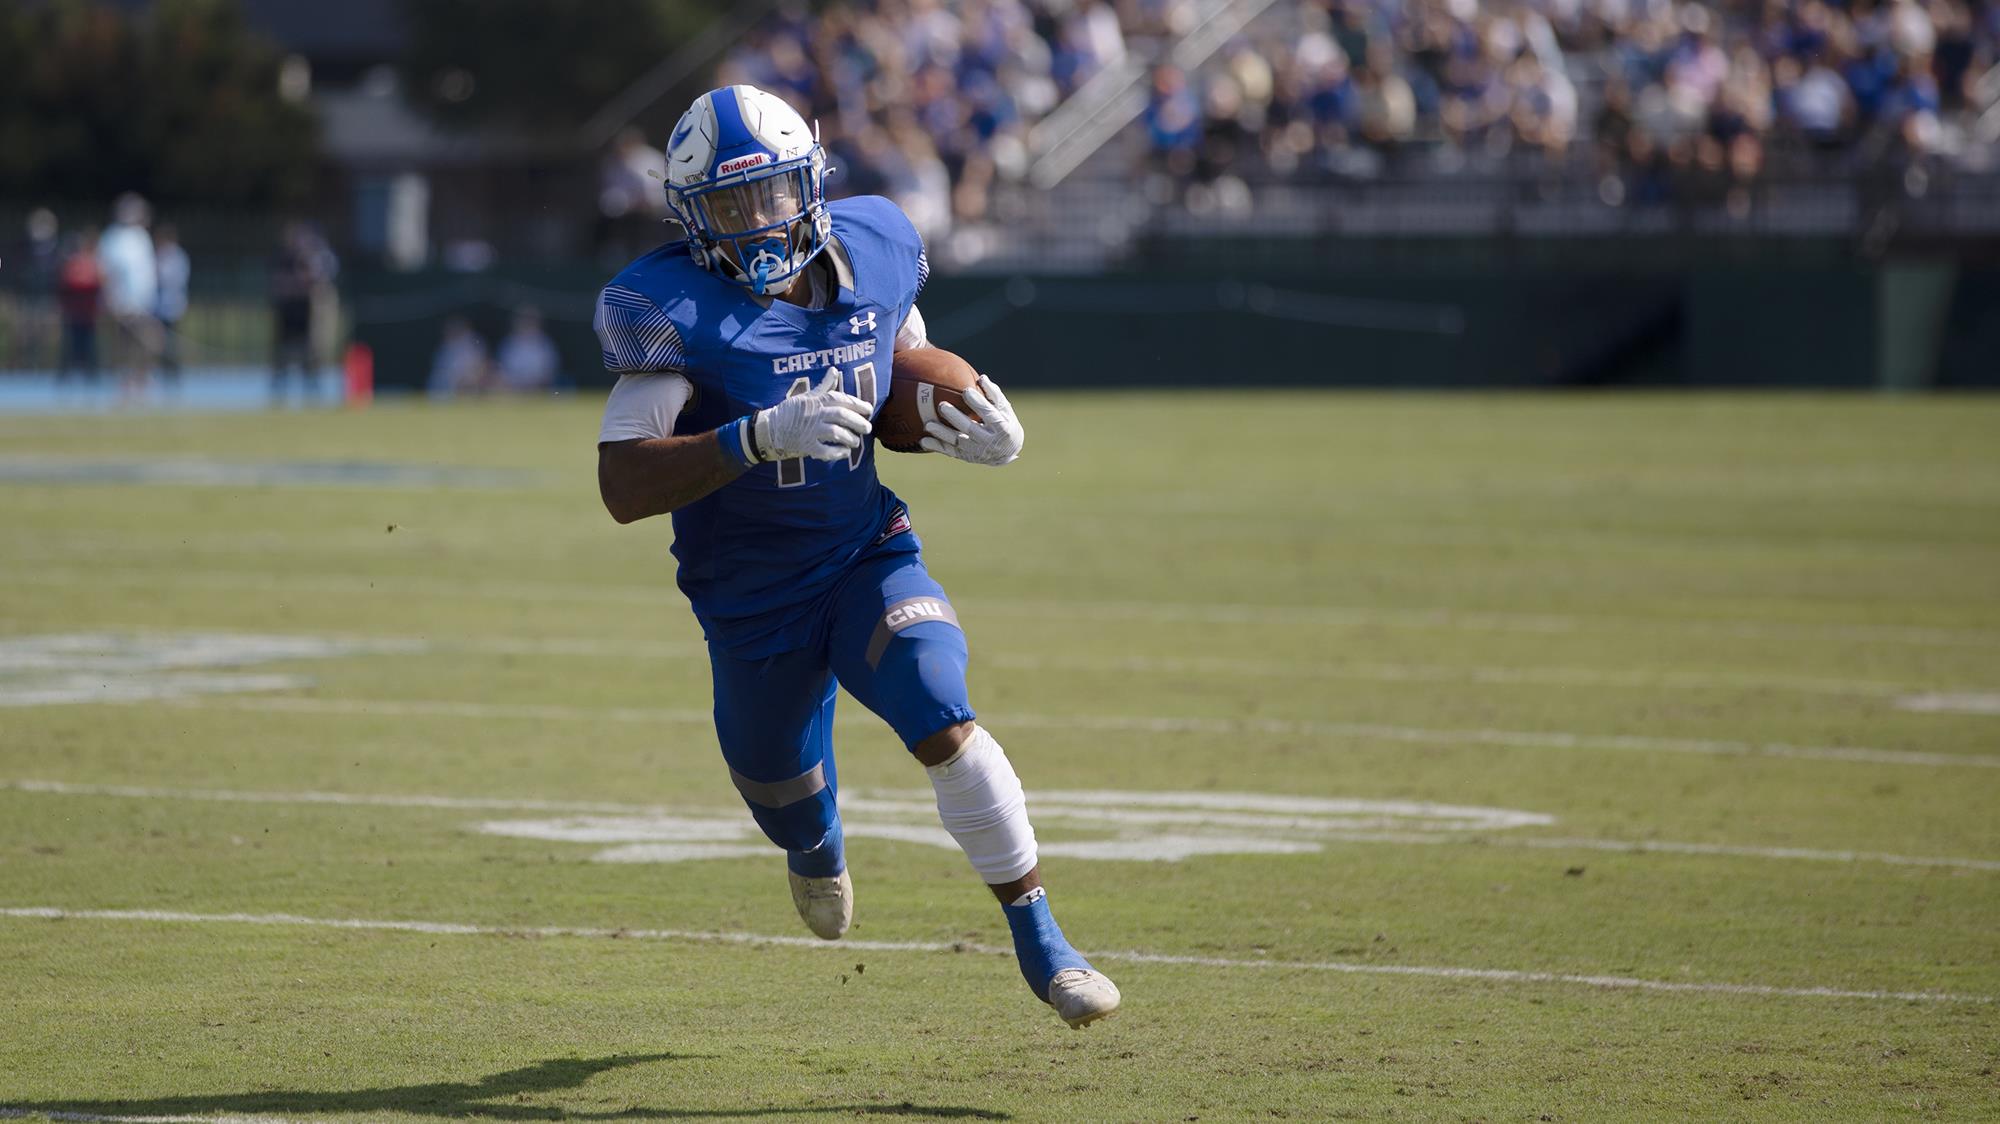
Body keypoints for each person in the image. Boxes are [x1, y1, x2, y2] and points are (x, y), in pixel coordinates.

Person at [593, 85, 1119, 1029]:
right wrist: (750, 440)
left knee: (939, 705)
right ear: (690, 217)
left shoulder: (874, 252)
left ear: (811, 185)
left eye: (769, 196)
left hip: (861, 554)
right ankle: (815, 842)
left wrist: (976, 427)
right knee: (781, 792)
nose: (755, 224)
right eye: (727, 206)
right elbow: (625, 485)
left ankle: (1044, 940)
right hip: (748, 599)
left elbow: (902, 376)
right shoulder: (669, 307)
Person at [98, 193, 160, 400]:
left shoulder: (142, 237)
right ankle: (125, 382)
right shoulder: (112, 237)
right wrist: (112, 300)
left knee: (148, 343)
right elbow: (107, 271)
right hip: (121, 304)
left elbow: (146, 272)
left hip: (143, 304)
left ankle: (140, 380)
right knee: (124, 346)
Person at [55, 229, 103, 388]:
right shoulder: (73, 263)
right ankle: (66, 378)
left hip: (89, 314)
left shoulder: (94, 263)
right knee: (70, 347)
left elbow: (99, 282)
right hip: (74, 314)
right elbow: (69, 282)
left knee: (90, 348)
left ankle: (92, 378)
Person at [153, 224, 190, 394]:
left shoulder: (177, 257)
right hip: (159, 307)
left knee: (172, 343)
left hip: (172, 306)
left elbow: (173, 280)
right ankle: (163, 374)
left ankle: (174, 375)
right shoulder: (158, 256)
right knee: (159, 342)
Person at [494, 306, 560, 394]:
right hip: (513, 389)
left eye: (530, 320)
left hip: (538, 389)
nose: (527, 324)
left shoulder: (545, 344)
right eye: (524, 320)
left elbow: (550, 370)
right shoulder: (508, 343)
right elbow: (501, 369)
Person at [428, 316, 492, 399]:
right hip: (449, 384)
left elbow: (482, 364)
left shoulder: (474, 342)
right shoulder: (445, 348)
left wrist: (471, 377)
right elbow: (441, 372)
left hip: (473, 380)